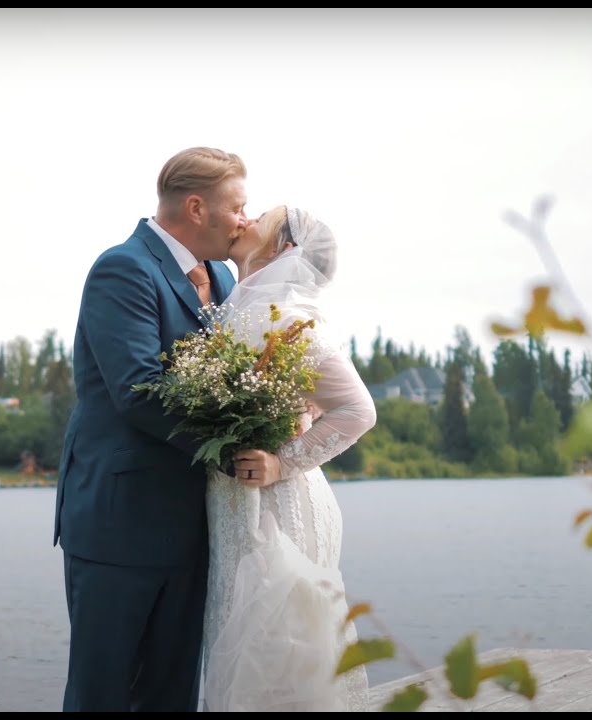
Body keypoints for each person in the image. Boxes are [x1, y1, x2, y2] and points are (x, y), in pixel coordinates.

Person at [53, 147, 247, 712]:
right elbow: (139, 390)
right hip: (120, 523)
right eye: (237, 206)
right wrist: (232, 446)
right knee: (102, 695)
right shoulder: (123, 269)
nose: (243, 220)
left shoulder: (223, 279)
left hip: (195, 527)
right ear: (195, 208)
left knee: (172, 696)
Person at [202, 205, 377, 712]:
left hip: (281, 507)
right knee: (243, 647)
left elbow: (357, 411)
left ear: (283, 249)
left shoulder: (290, 320)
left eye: (262, 215)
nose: (245, 216)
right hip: (240, 502)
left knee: (278, 652)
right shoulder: (241, 308)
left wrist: (283, 462)